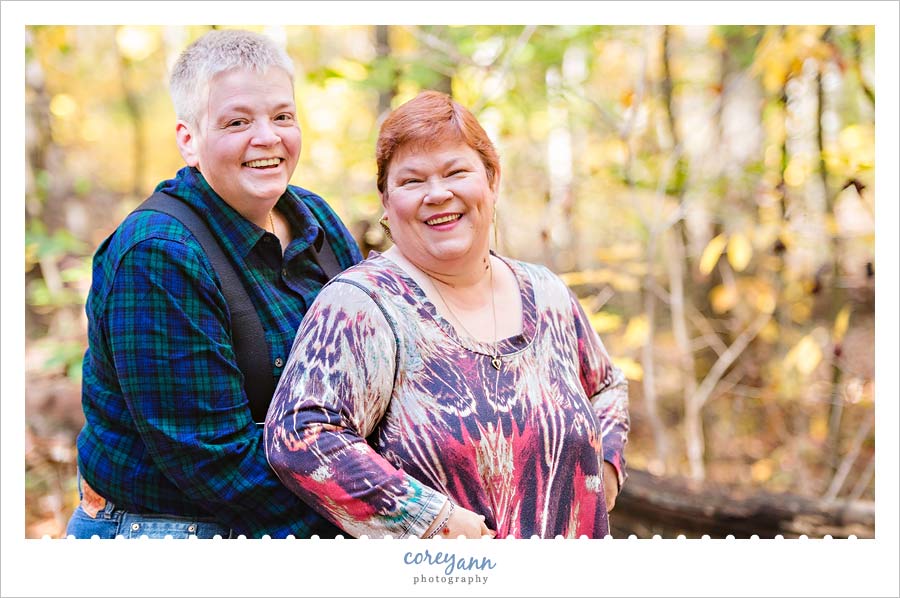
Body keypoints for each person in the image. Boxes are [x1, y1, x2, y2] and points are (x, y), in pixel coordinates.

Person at [265, 91, 630, 539]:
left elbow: (607, 386)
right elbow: (299, 438)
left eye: (456, 171)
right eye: (412, 181)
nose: (438, 194)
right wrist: (429, 520)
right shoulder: (362, 306)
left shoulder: (546, 292)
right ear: (386, 199)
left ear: (492, 179)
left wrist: (607, 466)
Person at [65, 29, 362, 539]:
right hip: (170, 530)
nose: (268, 137)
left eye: (282, 116)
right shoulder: (158, 255)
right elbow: (216, 466)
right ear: (189, 139)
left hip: (311, 503)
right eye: (238, 122)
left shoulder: (316, 219)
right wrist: (383, 517)